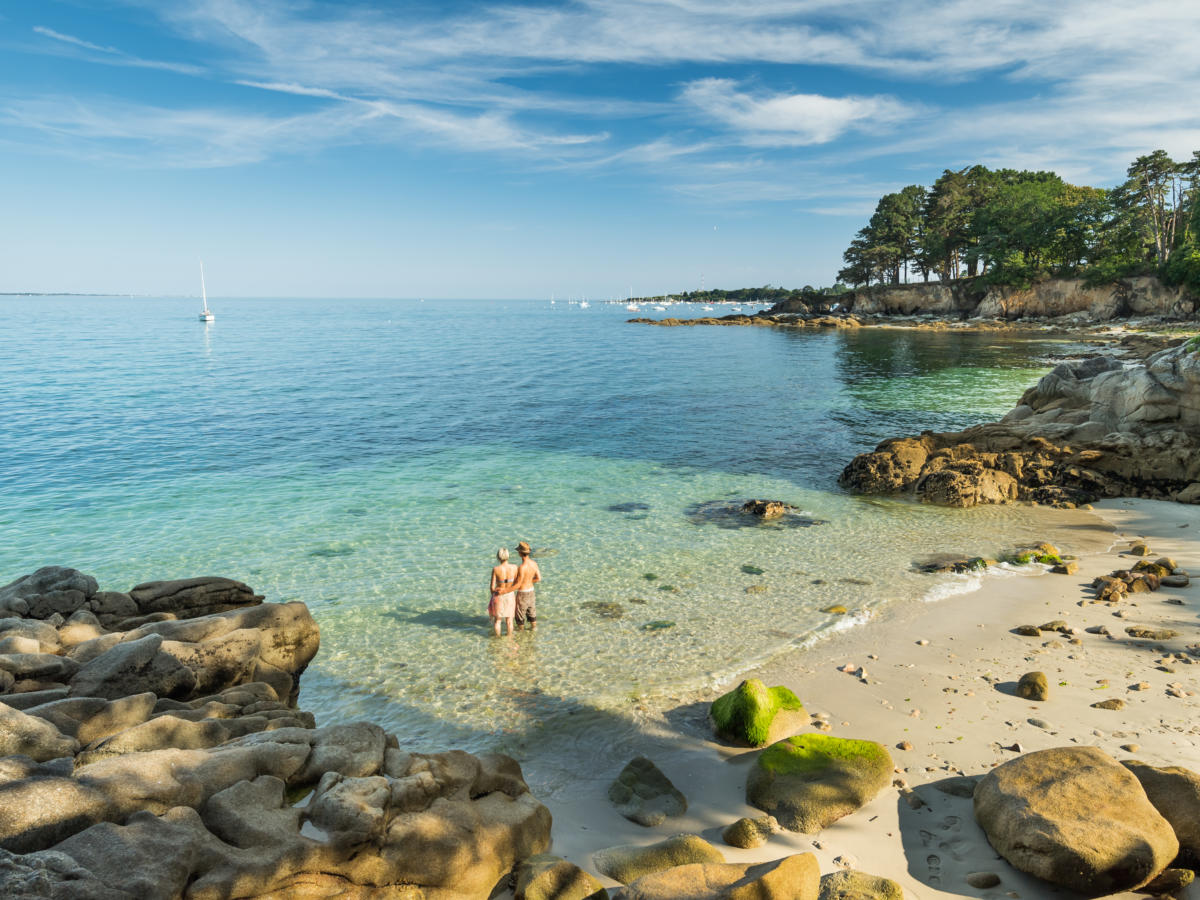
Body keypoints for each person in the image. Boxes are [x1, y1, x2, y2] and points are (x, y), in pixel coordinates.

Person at [511, 541, 541, 631]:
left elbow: (518, 584)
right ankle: (534, 630)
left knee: (520, 616)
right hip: (531, 591)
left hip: (522, 594)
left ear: (520, 553)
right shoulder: (534, 564)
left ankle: (521, 633)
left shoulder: (521, 567)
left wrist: (506, 590)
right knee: (532, 613)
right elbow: (538, 578)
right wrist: (529, 581)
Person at [488, 548, 517, 637]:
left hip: (499, 596)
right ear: (508, 556)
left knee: (498, 620)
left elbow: (492, 588)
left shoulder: (496, 569)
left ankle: (497, 638)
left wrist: (495, 591)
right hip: (510, 595)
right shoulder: (514, 567)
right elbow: (516, 583)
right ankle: (509, 637)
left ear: (498, 557)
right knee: (509, 621)